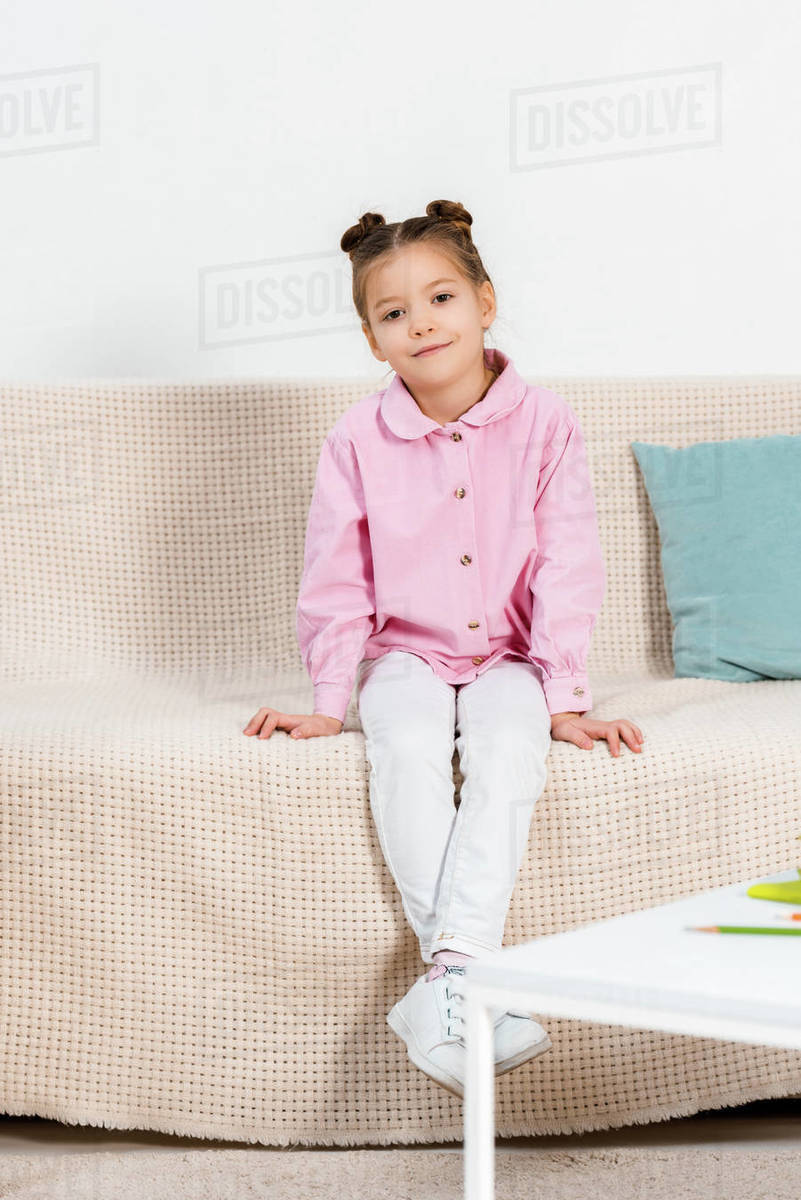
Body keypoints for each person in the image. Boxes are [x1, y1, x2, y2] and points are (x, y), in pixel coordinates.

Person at [243, 199, 645, 1098]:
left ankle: (445, 983)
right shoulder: (356, 439)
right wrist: (326, 698)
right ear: (370, 338)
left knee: (509, 749)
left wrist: (564, 695)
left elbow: (567, 562)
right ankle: (465, 977)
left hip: (509, 658)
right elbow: (338, 575)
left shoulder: (545, 423)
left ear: (484, 304)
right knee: (409, 747)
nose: (420, 323)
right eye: (393, 313)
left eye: (440, 299)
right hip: (404, 657)